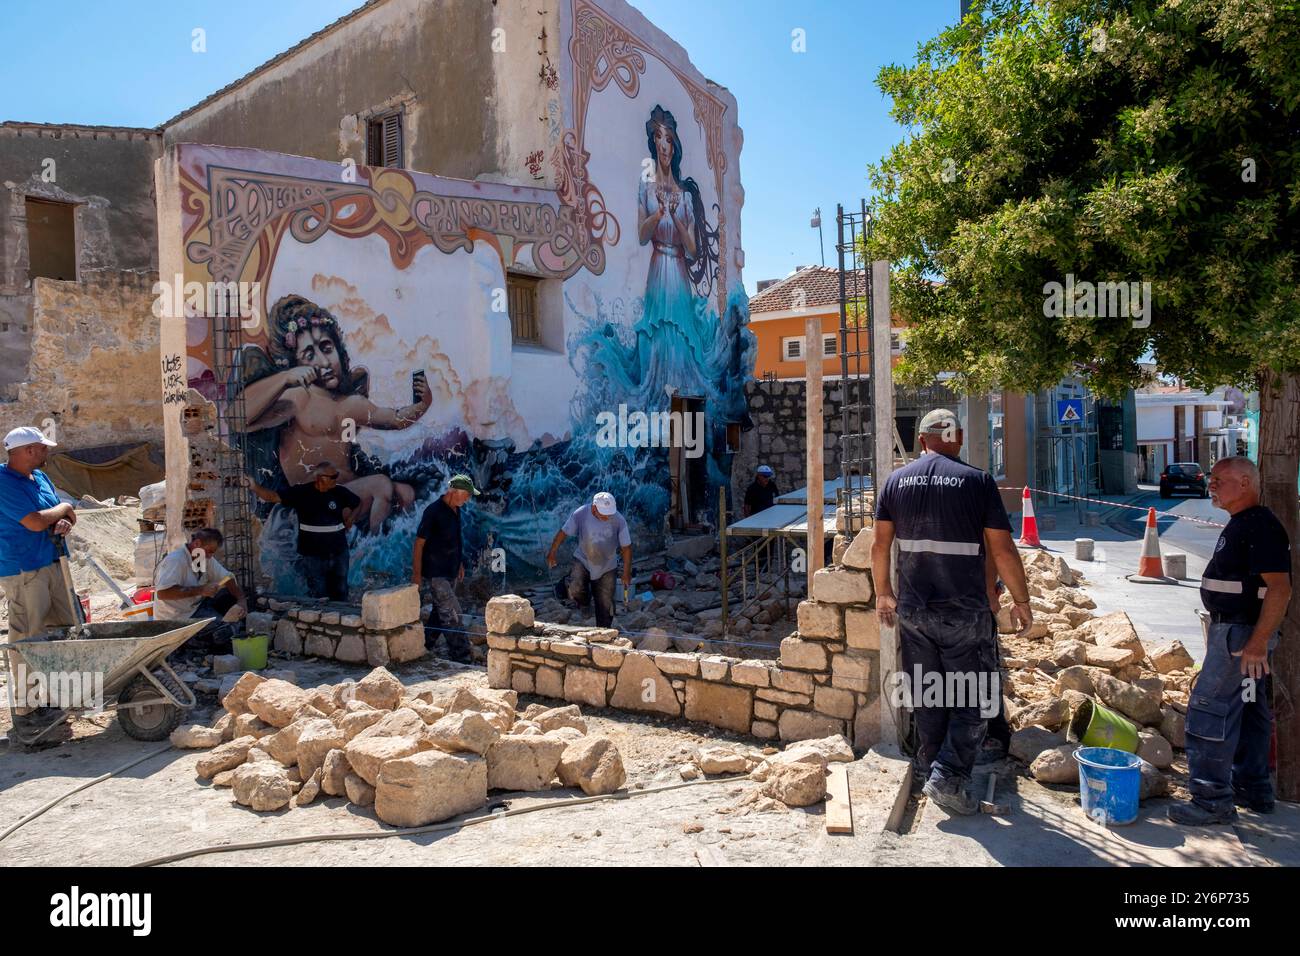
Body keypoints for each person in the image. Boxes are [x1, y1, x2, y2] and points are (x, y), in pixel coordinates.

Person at [871, 408, 1033, 815]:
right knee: (972, 698)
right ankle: (949, 777)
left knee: (928, 692)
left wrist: (883, 594)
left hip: (914, 609)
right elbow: (1001, 549)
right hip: (964, 611)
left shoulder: (895, 481)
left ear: (922, 439)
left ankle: (930, 767)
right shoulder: (977, 481)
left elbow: (880, 547)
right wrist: (1021, 600)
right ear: (957, 437)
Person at [1169, 456, 1292, 825]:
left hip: (1240, 640)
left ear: (1244, 483)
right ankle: (1252, 788)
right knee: (1250, 709)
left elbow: (1280, 589)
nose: (1211, 486)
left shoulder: (1259, 526)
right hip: (1242, 636)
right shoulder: (1244, 524)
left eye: (1219, 480)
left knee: (1209, 711)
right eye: (1211, 480)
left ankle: (1210, 800)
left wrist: (1257, 643)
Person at [242, 295, 431, 533]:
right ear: (297, 365)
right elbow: (237, 417)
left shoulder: (352, 403)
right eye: (310, 355)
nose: (324, 361)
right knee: (382, 484)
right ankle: (370, 556)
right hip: (314, 499)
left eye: (327, 348)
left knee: (405, 493)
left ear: (339, 350)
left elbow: (394, 419)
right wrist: (284, 378)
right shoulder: (299, 399)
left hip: (347, 492)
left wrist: (423, 404)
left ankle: (374, 547)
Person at [0, 426, 77, 744]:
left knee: (62, 630)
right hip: (23, 567)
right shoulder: (3, 482)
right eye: (42, 448)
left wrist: (64, 518)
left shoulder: (40, 478)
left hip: (53, 560)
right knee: (29, 636)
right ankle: (27, 709)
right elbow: (33, 521)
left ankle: (52, 697)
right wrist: (63, 510)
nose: (47, 452)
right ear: (28, 450)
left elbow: (65, 515)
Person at [245, 463, 359, 601]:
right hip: (313, 555)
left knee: (341, 590)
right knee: (318, 593)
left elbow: (358, 503)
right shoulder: (301, 492)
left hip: (339, 553)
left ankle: (342, 618)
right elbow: (272, 497)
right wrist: (254, 486)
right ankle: (319, 619)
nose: (336, 479)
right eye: (333, 476)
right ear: (320, 478)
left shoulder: (340, 492)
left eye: (337, 476)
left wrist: (351, 518)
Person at [413, 475, 479, 663]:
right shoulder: (433, 512)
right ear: (454, 492)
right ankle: (462, 656)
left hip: (451, 571)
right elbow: (418, 544)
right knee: (452, 614)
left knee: (439, 611)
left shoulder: (456, 510)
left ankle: (425, 645)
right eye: (466, 495)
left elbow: (454, 540)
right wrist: (416, 575)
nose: (468, 499)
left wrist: (459, 563)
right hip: (436, 573)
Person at [546, 492, 633, 629]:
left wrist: (626, 572)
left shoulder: (619, 520)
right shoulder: (581, 514)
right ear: (593, 508)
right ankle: (585, 604)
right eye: (604, 513)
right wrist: (552, 552)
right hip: (583, 559)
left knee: (605, 605)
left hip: (607, 566)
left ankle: (603, 634)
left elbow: (626, 548)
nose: (607, 516)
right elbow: (563, 533)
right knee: (575, 589)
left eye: (609, 513)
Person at [153, 528, 248, 650]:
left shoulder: (203, 558)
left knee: (228, 596)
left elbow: (228, 578)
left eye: (212, 553)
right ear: (197, 544)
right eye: (208, 552)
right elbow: (162, 593)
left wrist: (241, 600)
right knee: (223, 635)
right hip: (176, 619)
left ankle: (219, 628)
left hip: (196, 607)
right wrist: (200, 590)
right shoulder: (175, 560)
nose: (209, 556)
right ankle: (187, 645)